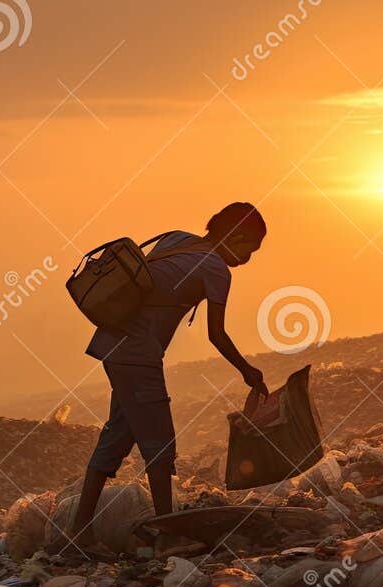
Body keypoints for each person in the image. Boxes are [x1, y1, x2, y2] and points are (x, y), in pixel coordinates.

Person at [67, 202, 267, 552]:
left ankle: (79, 532)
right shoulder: (218, 270)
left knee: (117, 437)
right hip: (138, 355)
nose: (249, 257)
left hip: (113, 345)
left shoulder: (175, 238)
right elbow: (216, 334)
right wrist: (247, 371)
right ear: (237, 235)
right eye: (251, 247)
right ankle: (167, 537)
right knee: (160, 445)